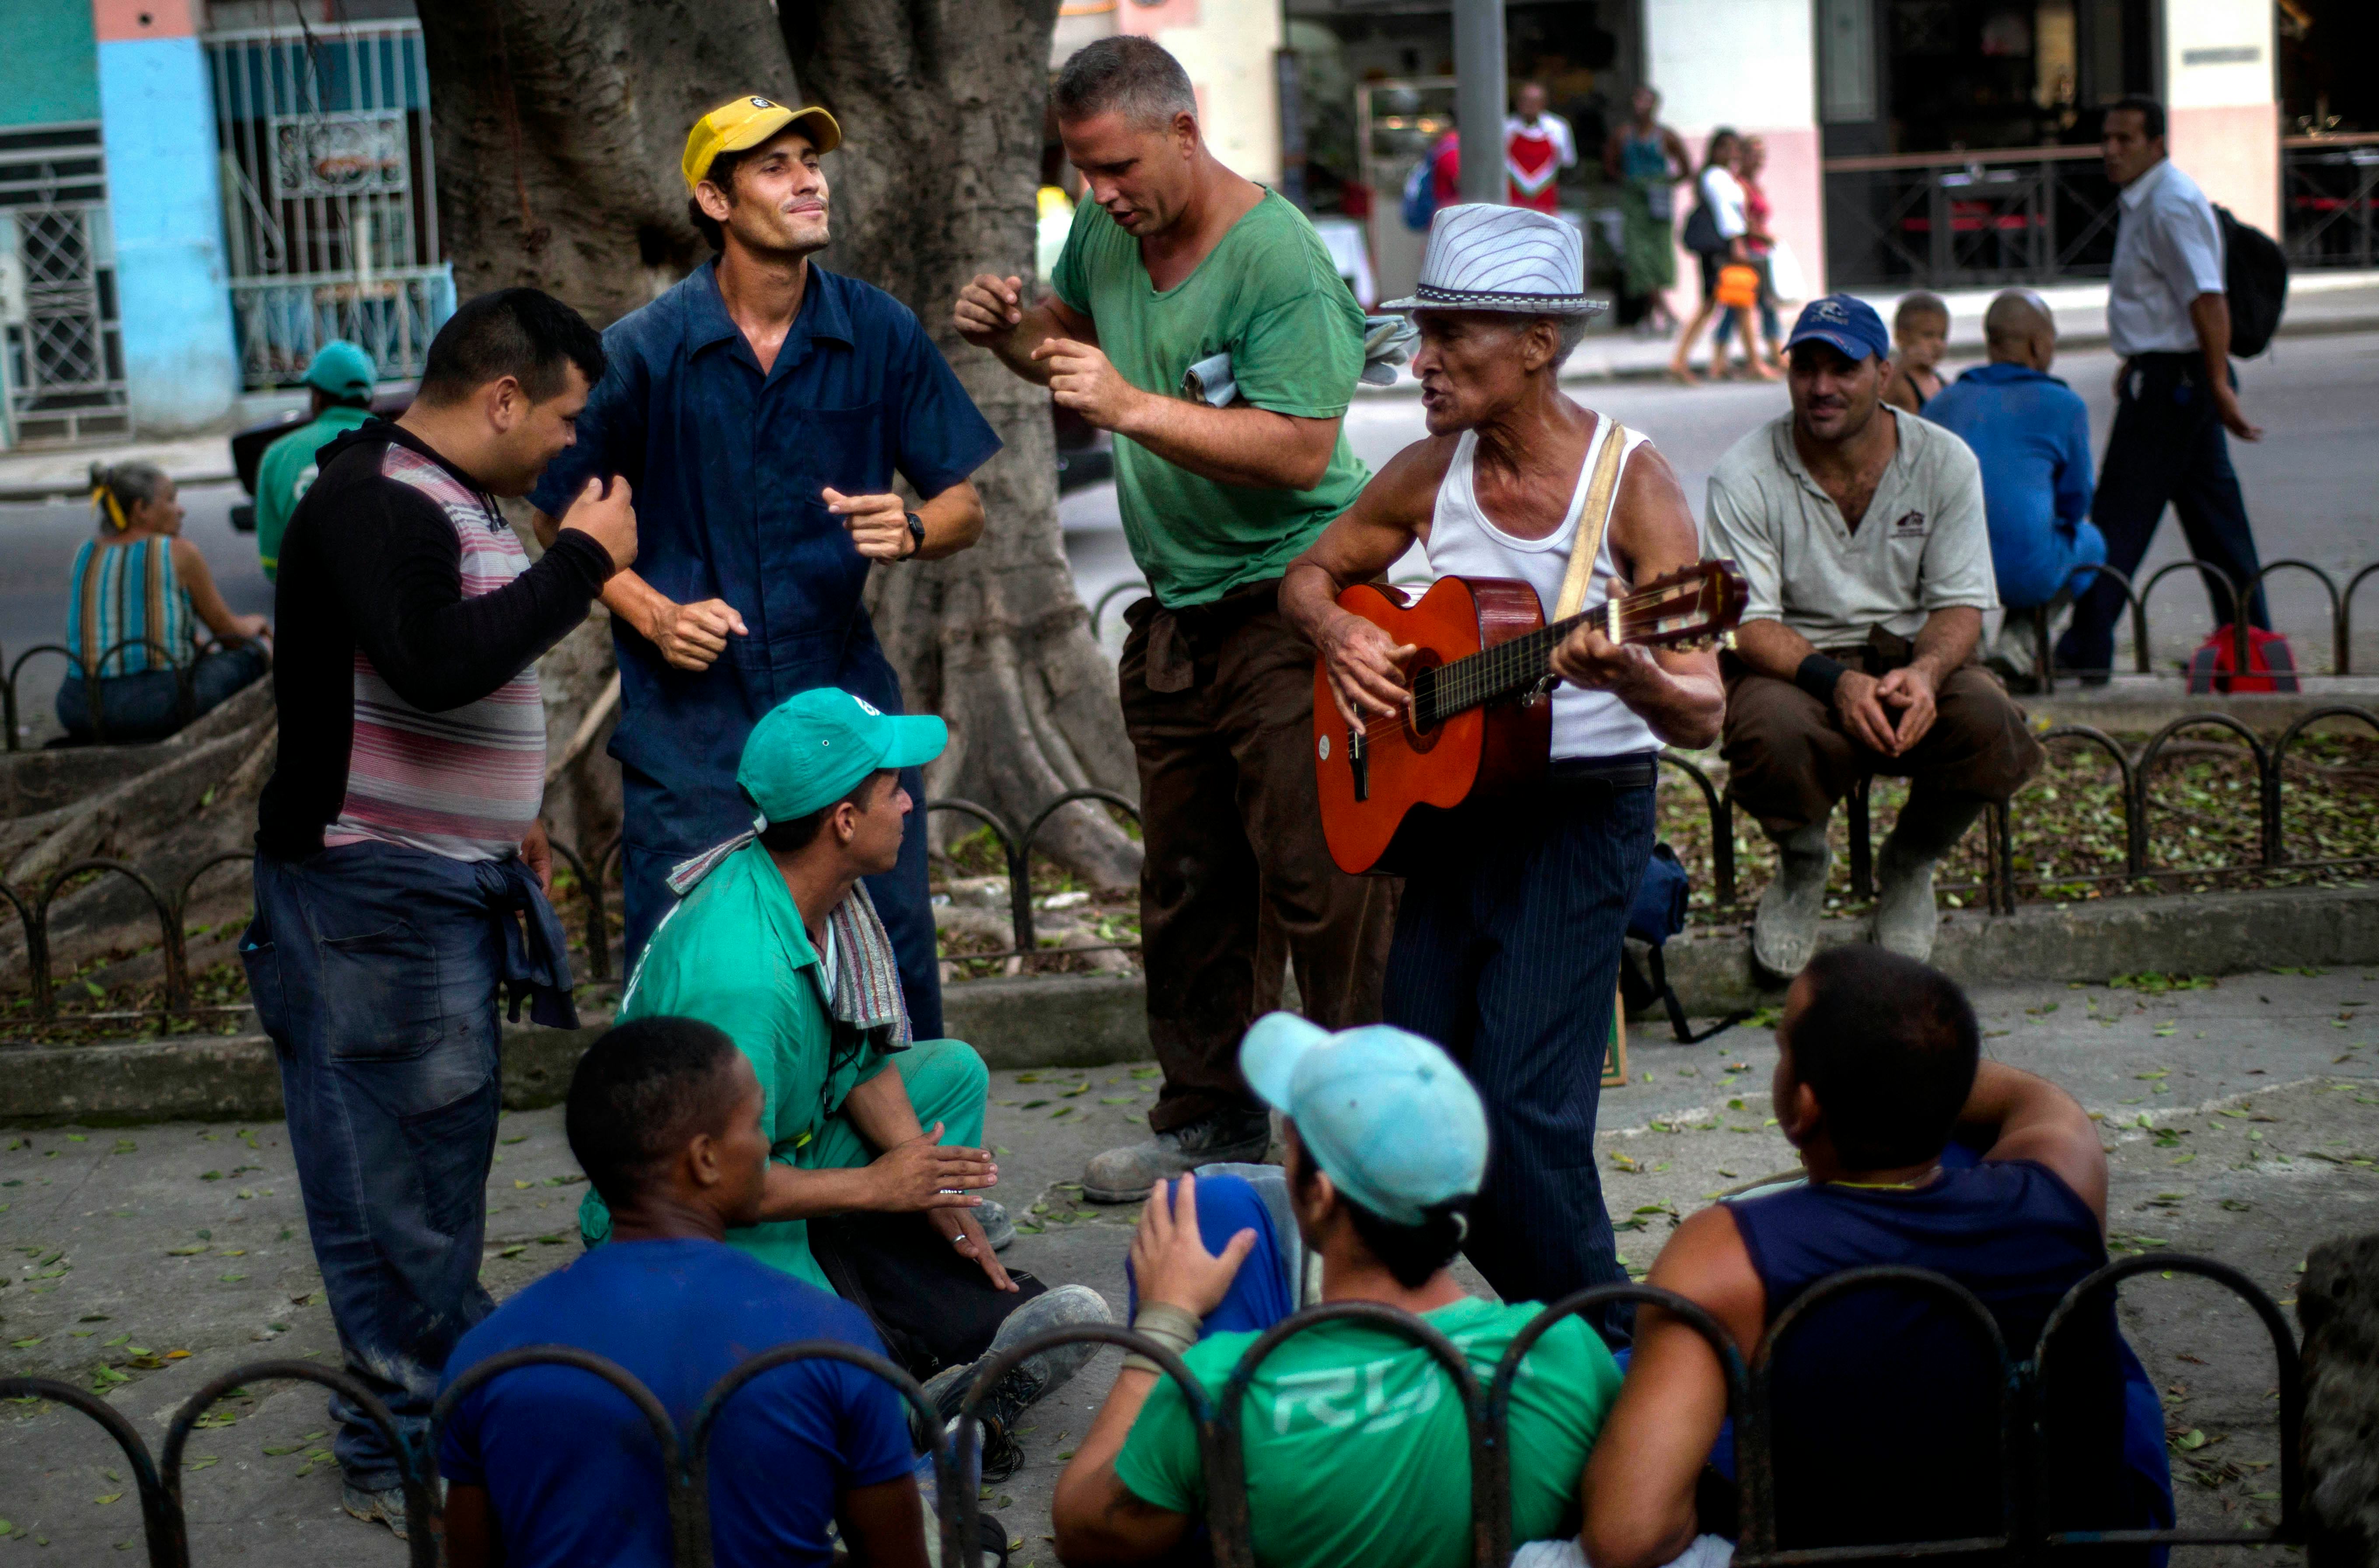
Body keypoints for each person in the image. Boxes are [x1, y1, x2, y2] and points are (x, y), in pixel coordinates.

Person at [955, 36, 1393, 1203]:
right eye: (1080, 169)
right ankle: (1211, 1121)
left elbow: (1302, 450)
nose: (1095, 193)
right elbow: (1067, 336)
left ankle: (1369, 1132)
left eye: (1113, 165)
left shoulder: (1281, 262)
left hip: (1296, 598)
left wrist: (1136, 408)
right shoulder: (1113, 228)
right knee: (1194, 886)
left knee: (1320, 876)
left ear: (1186, 133)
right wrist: (1009, 333)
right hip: (1181, 612)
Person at [243, 286, 640, 1536]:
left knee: (431, 1154)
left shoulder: (437, 494)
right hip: (371, 886)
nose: (569, 445)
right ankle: (408, 1443)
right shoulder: (378, 497)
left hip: (429, 876)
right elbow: (432, 657)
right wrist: (585, 557)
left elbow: (434, 681)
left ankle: (414, 1414)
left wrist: (505, 808)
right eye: (564, 418)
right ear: (504, 397)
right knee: (391, 1170)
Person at [1283, 204, 1723, 1330]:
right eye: (1420, 334)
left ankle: (1617, 1351)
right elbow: (1310, 576)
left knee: (1524, 1115)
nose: (1420, 361)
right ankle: (1521, 1333)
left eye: (1449, 335)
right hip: (1452, 818)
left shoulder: (1629, 482)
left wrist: (1634, 678)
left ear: (1535, 345)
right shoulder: (1432, 471)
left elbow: (1706, 707)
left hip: (1580, 820)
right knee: (1416, 1098)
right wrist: (1344, 635)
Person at [527, 96, 1001, 1017]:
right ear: (713, 199)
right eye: (773, 166)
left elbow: (965, 505)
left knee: (887, 966)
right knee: (691, 976)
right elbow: (560, 520)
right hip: (692, 718)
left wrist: (907, 526)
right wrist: (650, 610)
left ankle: (900, 1156)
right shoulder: (641, 351)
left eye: (808, 160)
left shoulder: (879, 330)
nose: (806, 179)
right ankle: (700, 1160)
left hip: (840, 700)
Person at [591, 685, 1107, 1476]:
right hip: (694, 1211)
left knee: (950, 1075)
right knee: (849, 1400)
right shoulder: (744, 981)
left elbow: (857, 1056)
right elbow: (716, 1184)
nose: (907, 802)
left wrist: (934, 1192)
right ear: (842, 821)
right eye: (891, 790)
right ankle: (923, 1411)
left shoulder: (821, 891)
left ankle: (910, 1290)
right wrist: (877, 1187)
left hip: (779, 1139)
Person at [1580, 946, 2172, 1568]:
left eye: (1783, 1048)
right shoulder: (2064, 1187)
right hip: (2087, 1548)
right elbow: (2033, 1098)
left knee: (1604, 1393)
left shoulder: (1722, 1252)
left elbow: (1628, 1535)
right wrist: (1912, 1069)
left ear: (1803, 1107)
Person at [1052, 1014, 1626, 1568]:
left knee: (1210, 1207)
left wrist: (1165, 1319)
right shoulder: (1563, 1350)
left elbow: (1084, 1529)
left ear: (1320, 1194)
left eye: (1291, 1140)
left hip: (1256, 1473)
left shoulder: (1222, 1387)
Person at [440, 1017, 929, 1568]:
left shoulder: (488, 1354)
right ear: (705, 1158)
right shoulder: (830, 1336)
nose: (766, 1143)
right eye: (754, 1124)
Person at [1703, 295, 2040, 973]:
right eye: (1807, 368)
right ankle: (1803, 865)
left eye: (1843, 369)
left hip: (1908, 657)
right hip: (1796, 666)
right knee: (1767, 731)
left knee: (1991, 721)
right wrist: (1837, 681)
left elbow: (1961, 605)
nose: (1822, 387)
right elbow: (1747, 622)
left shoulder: (1944, 462)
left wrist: (1925, 675)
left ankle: (1912, 861)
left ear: (1883, 374)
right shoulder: (1745, 473)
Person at [2059, 94, 2269, 682]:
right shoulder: (2147, 201)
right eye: (2107, 138)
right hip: (2167, 378)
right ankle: (2254, 651)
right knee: (2218, 528)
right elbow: (2168, 304)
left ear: (2157, 144)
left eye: (2125, 139)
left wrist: (2220, 383)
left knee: (2118, 521)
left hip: (2174, 390)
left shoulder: (2170, 204)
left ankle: (2086, 646)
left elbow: (2206, 298)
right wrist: (2143, 356)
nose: (2111, 150)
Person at [1924, 291, 2107, 689]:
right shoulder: (2064, 405)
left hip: (1950, 574)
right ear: (2038, 345)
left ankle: (1972, 646)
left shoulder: (1942, 403)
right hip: (2026, 574)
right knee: (2090, 541)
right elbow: (2076, 500)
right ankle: (2019, 642)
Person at [61, 462, 269, 743]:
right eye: (171, 500)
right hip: (158, 704)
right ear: (141, 510)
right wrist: (256, 623)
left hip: (81, 705)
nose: (180, 510)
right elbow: (228, 634)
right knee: (255, 654)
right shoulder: (178, 552)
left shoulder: (84, 552)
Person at [254, 339, 377, 580]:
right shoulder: (402, 447)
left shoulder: (277, 455)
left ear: (317, 397)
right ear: (371, 396)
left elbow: (271, 562)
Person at [1668, 129, 1767, 384]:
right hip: (1721, 249)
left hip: (1722, 247)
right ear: (1718, 150)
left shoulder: (1721, 176)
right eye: (1729, 148)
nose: (1734, 152)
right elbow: (1727, 214)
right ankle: (1679, 361)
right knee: (1709, 304)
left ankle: (1752, 361)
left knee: (1740, 302)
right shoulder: (1716, 177)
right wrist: (1738, 244)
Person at [1602, 86, 1691, 333]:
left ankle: (1649, 317)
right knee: (1638, 258)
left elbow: (1686, 168)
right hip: (1634, 204)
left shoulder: (1666, 136)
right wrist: (1629, 184)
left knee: (1659, 256)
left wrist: (1664, 185)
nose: (1641, 107)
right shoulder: (1623, 135)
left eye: (1647, 102)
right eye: (1638, 101)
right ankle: (1666, 314)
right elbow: (1610, 165)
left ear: (1655, 106)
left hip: (1659, 204)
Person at [1709, 136, 1784, 373]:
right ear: (1741, 156)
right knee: (1758, 303)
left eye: (1762, 154)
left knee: (1738, 304)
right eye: (1753, 153)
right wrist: (1764, 237)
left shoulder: (1754, 184)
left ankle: (1720, 360)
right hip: (1749, 251)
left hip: (1759, 250)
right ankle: (1771, 355)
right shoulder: (1739, 184)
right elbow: (1740, 221)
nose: (1759, 160)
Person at [1505, 81, 1578, 215]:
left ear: (1544, 103)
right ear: (1517, 102)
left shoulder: (1558, 127)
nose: (1529, 105)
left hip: (1546, 199)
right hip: (1512, 202)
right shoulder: (1505, 127)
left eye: (1534, 101)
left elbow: (1568, 163)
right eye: (1525, 100)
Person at [1880, 291, 1950, 415]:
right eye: (1928, 335)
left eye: (1942, 336)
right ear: (1902, 337)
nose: (1938, 344)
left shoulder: (1942, 383)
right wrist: (1902, 366)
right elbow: (1875, 407)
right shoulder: (1899, 382)